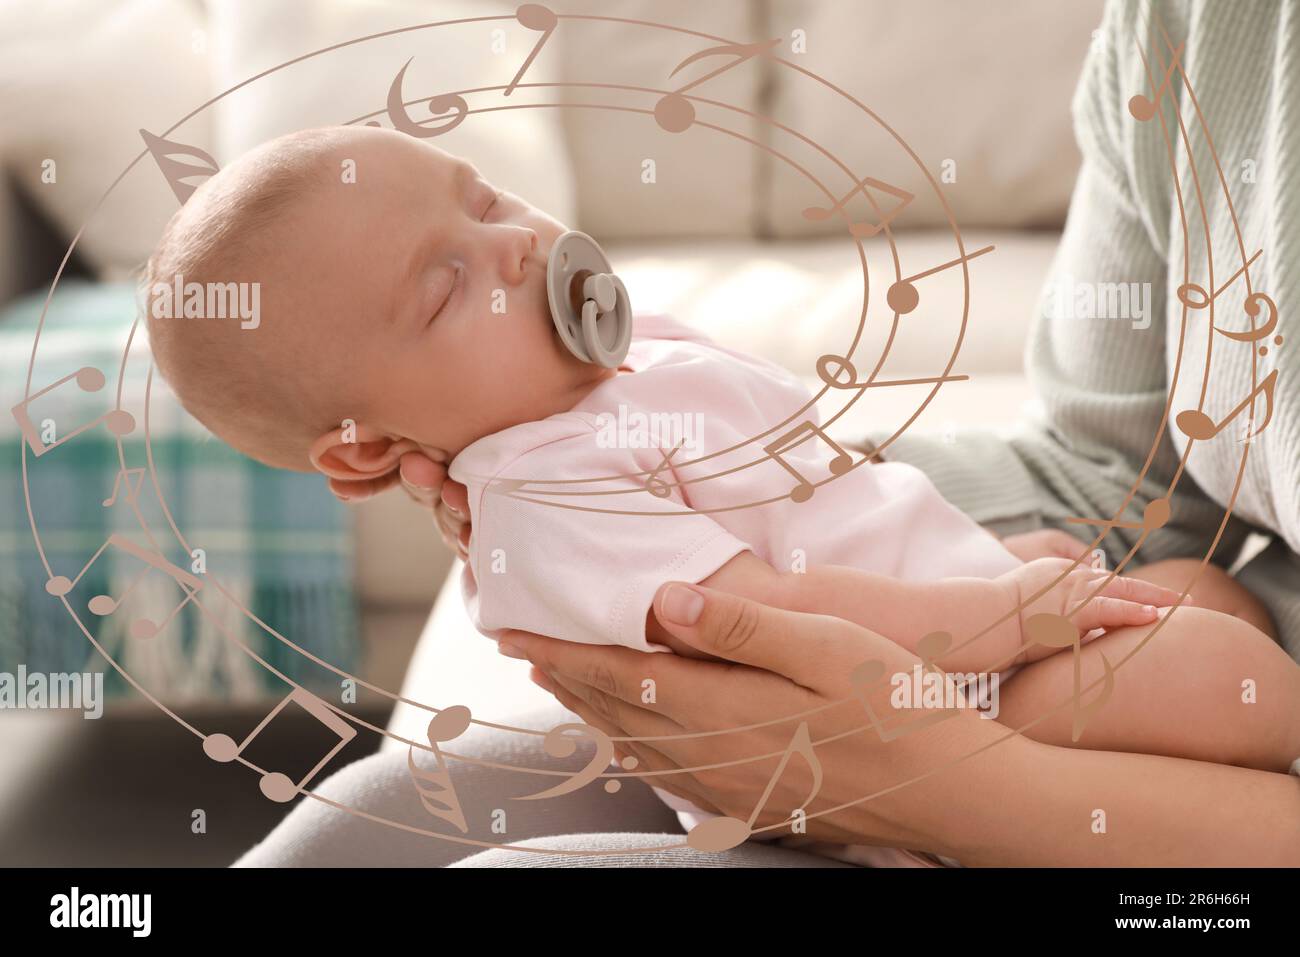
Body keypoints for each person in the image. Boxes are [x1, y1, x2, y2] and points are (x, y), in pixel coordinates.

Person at [234, 0, 1300, 866]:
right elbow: (768, 610)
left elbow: (792, 473)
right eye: (444, 286)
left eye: (489, 203)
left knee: (1210, 637)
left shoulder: (618, 370)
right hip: (899, 690)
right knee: (1207, 642)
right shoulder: (544, 498)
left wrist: (989, 605)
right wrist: (998, 610)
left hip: (939, 673)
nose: (514, 249)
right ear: (366, 447)